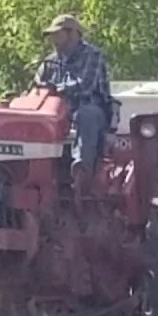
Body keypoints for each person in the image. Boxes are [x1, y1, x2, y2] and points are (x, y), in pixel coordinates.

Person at [33, 14, 112, 194]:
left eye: (57, 35)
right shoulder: (50, 61)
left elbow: (85, 86)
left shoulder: (92, 56)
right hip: (56, 113)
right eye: (52, 36)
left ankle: (82, 169)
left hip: (91, 109)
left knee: (86, 115)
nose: (54, 40)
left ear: (73, 35)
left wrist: (57, 89)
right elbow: (37, 86)